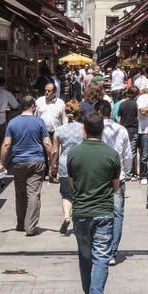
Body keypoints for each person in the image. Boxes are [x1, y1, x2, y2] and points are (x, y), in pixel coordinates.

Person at [67, 112, 120, 294]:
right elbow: (115, 187)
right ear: (102, 130)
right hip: (103, 212)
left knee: (85, 255)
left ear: (84, 129)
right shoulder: (112, 154)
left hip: (80, 211)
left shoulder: (73, 153)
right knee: (101, 256)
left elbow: (72, 184)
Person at [0, 95, 52, 236]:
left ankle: (21, 224)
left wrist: (2, 163)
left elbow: (6, 144)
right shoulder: (40, 122)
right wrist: (52, 163)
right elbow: (47, 143)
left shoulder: (12, 123)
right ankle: (30, 226)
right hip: (36, 161)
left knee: (20, 193)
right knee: (33, 193)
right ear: (33, 106)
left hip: (18, 162)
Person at [94, 100, 133, 265]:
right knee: (117, 214)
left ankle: (100, 248)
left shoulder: (94, 129)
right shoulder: (121, 130)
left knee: (98, 211)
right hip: (118, 177)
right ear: (110, 112)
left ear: (98, 112)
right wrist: (126, 171)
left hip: (98, 178)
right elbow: (127, 155)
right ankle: (111, 252)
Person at [50, 99, 84, 235]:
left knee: (66, 194)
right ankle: (78, 221)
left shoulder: (59, 130)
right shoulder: (83, 128)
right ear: (78, 113)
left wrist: (52, 166)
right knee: (79, 194)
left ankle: (66, 217)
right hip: (80, 164)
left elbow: (54, 151)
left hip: (65, 165)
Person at [117, 86, 139, 178]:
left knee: (123, 150)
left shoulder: (122, 104)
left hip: (123, 129)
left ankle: (124, 171)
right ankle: (129, 173)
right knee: (132, 151)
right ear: (136, 95)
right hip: (133, 129)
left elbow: (118, 119)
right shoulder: (136, 104)